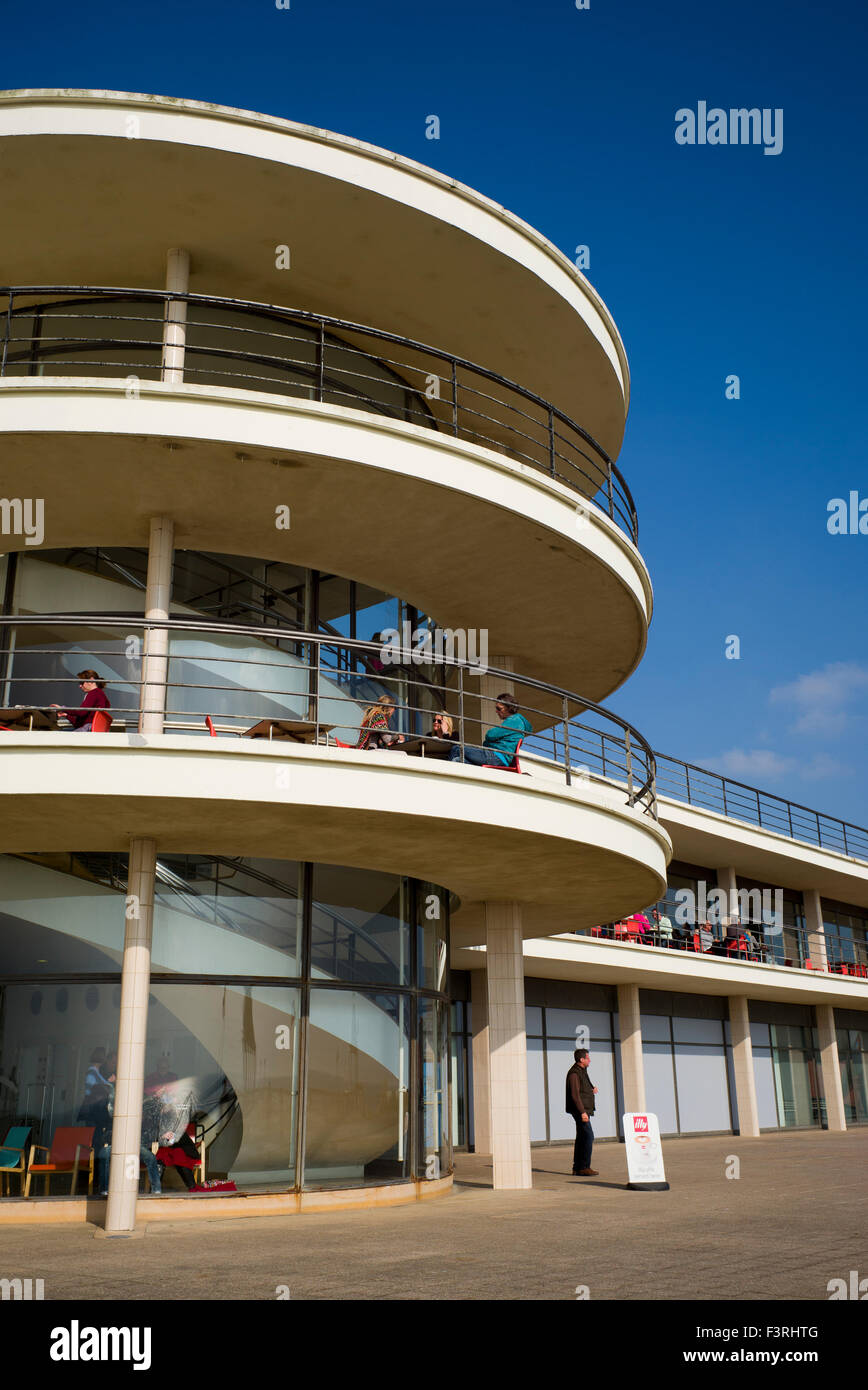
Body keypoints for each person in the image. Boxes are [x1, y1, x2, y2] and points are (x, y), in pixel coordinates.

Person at [447, 693, 530, 767]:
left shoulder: (514, 721)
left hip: (497, 756)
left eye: (499, 708)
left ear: (509, 708)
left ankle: (447, 778)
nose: (496, 711)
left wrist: (489, 741)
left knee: (456, 749)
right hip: (499, 758)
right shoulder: (515, 721)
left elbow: (490, 735)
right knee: (457, 760)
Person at [566, 1048, 598, 1176]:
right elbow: (575, 1095)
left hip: (583, 1110)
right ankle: (584, 1167)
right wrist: (582, 1112)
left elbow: (582, 1088)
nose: (589, 1060)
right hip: (580, 1111)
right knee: (589, 1136)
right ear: (581, 1059)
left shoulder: (582, 1071)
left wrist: (592, 1089)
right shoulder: (574, 1073)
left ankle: (578, 1168)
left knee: (581, 1137)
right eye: (587, 1058)